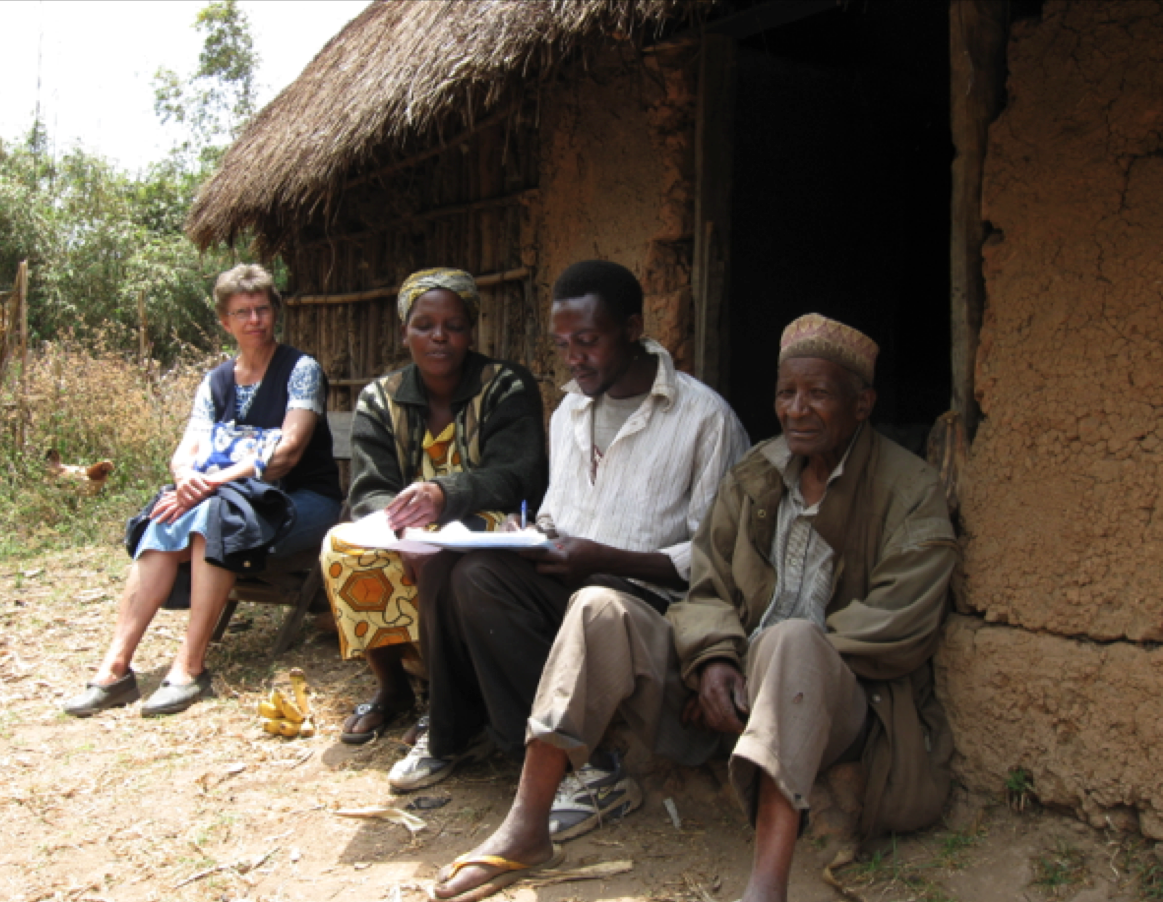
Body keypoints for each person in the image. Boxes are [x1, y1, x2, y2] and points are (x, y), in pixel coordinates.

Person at [430, 313, 957, 902]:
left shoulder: (909, 489)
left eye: (819, 394)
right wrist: (712, 659)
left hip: (838, 704)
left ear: (863, 404)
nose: (797, 410)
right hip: (727, 685)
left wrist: (759, 680)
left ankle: (765, 886)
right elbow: (707, 579)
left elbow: (901, 619)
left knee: (792, 641)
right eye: (787, 393)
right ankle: (528, 826)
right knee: (596, 606)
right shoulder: (759, 471)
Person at [389, 259, 750, 799]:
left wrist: (603, 558)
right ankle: (470, 737)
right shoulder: (571, 410)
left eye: (587, 340)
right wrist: (526, 531)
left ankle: (584, 763)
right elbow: (560, 512)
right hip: (576, 575)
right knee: (454, 567)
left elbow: (713, 560)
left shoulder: (704, 419)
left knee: (500, 582)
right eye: (562, 345)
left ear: (631, 330)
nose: (574, 358)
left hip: (645, 602)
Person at [63, 263, 342, 718]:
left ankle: (189, 668)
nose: (255, 320)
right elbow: (185, 450)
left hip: (301, 500)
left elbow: (288, 453)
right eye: (243, 312)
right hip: (229, 498)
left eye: (262, 309)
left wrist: (209, 482)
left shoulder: (301, 370)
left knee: (212, 520)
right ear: (224, 321)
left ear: (275, 312)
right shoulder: (215, 381)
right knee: (165, 515)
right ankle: (115, 670)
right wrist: (184, 479)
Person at [319, 268, 547, 744]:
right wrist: (401, 529)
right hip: (406, 527)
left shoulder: (505, 386)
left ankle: (451, 698)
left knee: (449, 556)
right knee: (342, 548)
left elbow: (516, 474)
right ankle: (393, 688)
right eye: (424, 325)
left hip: (486, 518)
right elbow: (369, 488)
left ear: (471, 331)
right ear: (405, 332)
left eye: (454, 325)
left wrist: (445, 497)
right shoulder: (378, 400)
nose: (439, 336)